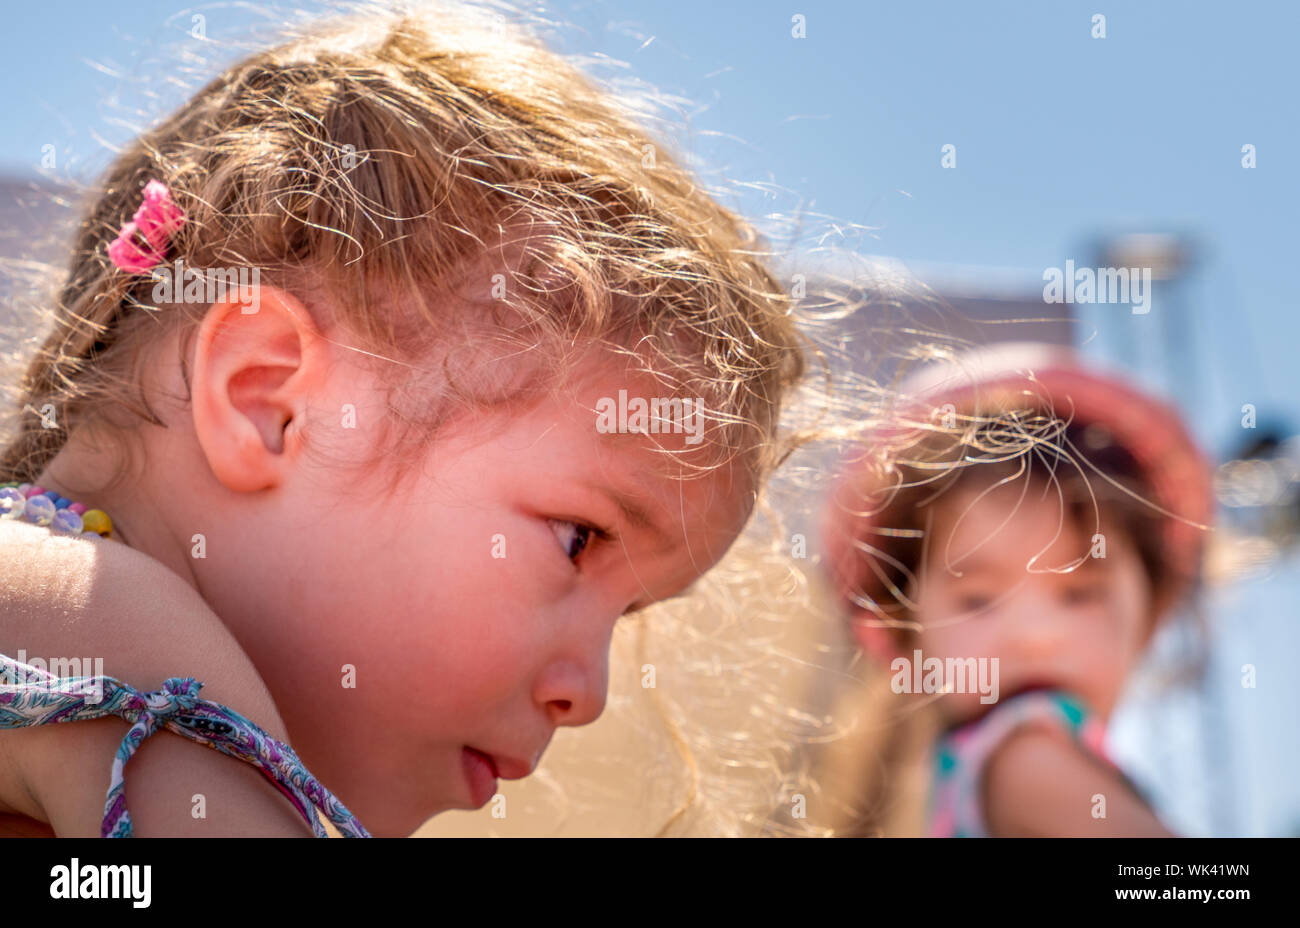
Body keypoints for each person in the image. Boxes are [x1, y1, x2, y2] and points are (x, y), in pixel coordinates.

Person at [0, 5, 808, 837]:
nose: (589, 698)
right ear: (265, 402)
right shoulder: (88, 614)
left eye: (628, 616)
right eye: (580, 539)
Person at [815, 342, 1214, 836]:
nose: (1034, 636)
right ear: (908, 629)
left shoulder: (956, 779)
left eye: (1080, 594)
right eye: (977, 600)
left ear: (1147, 613)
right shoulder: (1026, 752)